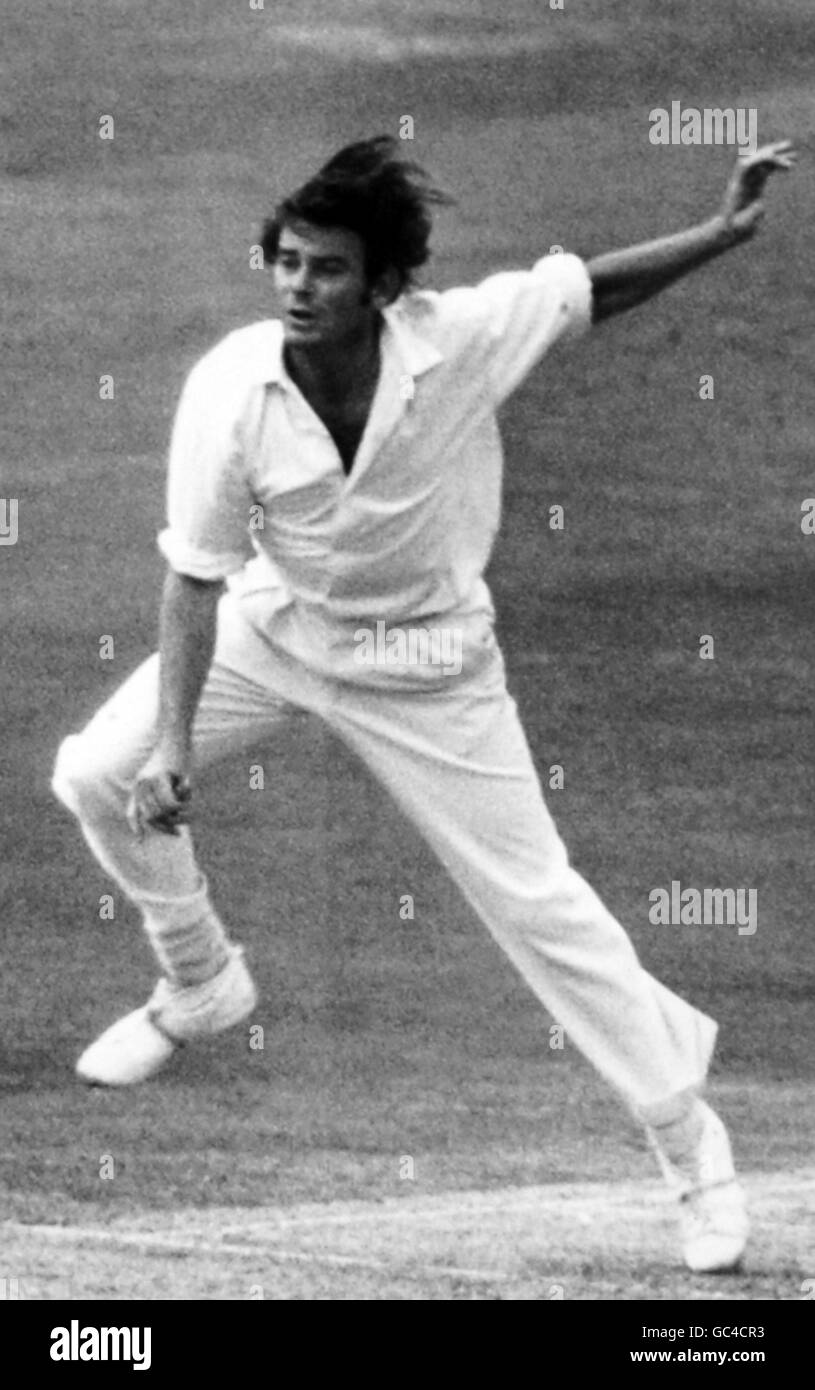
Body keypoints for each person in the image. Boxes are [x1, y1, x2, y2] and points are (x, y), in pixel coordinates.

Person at [52, 134, 795, 1272]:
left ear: (386, 286)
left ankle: (687, 1142)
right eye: (287, 262)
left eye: (329, 269)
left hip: (432, 665)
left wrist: (722, 228)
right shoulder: (228, 388)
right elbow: (193, 579)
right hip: (282, 624)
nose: (300, 287)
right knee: (93, 771)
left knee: (539, 905)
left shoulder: (458, 341)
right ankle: (199, 979)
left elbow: (589, 287)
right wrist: (171, 746)